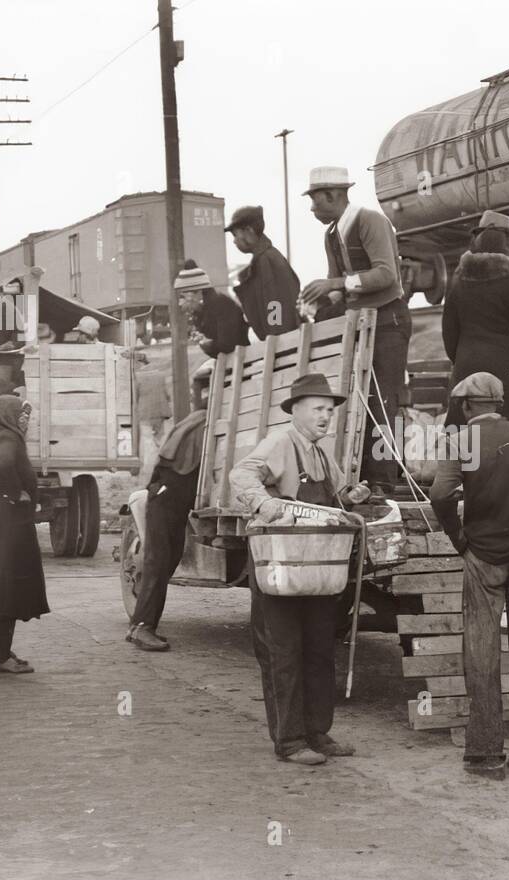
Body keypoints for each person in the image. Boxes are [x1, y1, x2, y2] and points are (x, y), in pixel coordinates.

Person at [229, 373, 373, 765]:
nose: (326, 416)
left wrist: (352, 496)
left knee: (318, 650)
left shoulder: (322, 452)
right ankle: (290, 740)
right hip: (279, 565)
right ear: (297, 411)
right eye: (319, 409)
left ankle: (317, 732)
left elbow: (335, 498)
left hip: (315, 567)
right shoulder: (281, 442)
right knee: (284, 651)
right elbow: (241, 475)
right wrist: (263, 503)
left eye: (330, 410)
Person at [429, 372, 509, 780]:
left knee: (481, 649)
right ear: (500, 402)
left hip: (483, 554)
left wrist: (458, 538)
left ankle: (486, 753)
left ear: (466, 405)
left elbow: (440, 495)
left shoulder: (460, 442)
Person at [299, 166, 413, 495]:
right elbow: (342, 289)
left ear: (333, 196)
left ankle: (383, 482)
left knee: (383, 401)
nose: (312, 207)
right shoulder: (332, 234)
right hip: (363, 323)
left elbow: (386, 275)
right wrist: (319, 301)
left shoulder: (369, 221)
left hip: (388, 320)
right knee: (360, 401)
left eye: (315, 200)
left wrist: (334, 285)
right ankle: (363, 475)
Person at [0, 396, 48, 674]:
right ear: (7, 414)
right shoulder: (9, 441)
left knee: (5, 584)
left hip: (0, 519)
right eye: (19, 413)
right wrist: (15, 493)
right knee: (10, 586)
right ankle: (1, 656)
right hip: (13, 523)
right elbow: (2, 466)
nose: (24, 419)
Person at [441, 211, 509, 424]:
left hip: (466, 367)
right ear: (505, 247)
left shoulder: (458, 281)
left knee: (460, 435)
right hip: (504, 370)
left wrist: (461, 358)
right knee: (502, 434)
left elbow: (448, 333)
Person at [127, 390, 208, 652]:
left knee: (166, 562)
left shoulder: (194, 422)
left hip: (170, 502)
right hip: (165, 501)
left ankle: (140, 625)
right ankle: (142, 628)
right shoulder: (202, 424)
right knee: (158, 564)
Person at [226, 205, 302, 339]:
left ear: (249, 231)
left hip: (282, 343)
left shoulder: (266, 260)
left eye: (235, 234)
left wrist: (275, 336)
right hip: (283, 340)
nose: (234, 241)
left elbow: (274, 301)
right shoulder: (267, 257)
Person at [175, 261, 252, 357]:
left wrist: (207, 344)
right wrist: (204, 341)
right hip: (231, 363)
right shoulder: (200, 311)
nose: (179, 303)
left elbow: (227, 346)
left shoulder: (221, 304)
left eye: (182, 297)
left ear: (196, 293)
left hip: (241, 361)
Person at [135, 364, 173, 488]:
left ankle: (148, 469)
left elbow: (135, 396)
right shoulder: (161, 375)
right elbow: (167, 395)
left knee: (147, 441)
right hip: (160, 412)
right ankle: (161, 464)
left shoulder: (137, 377)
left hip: (145, 412)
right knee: (159, 440)